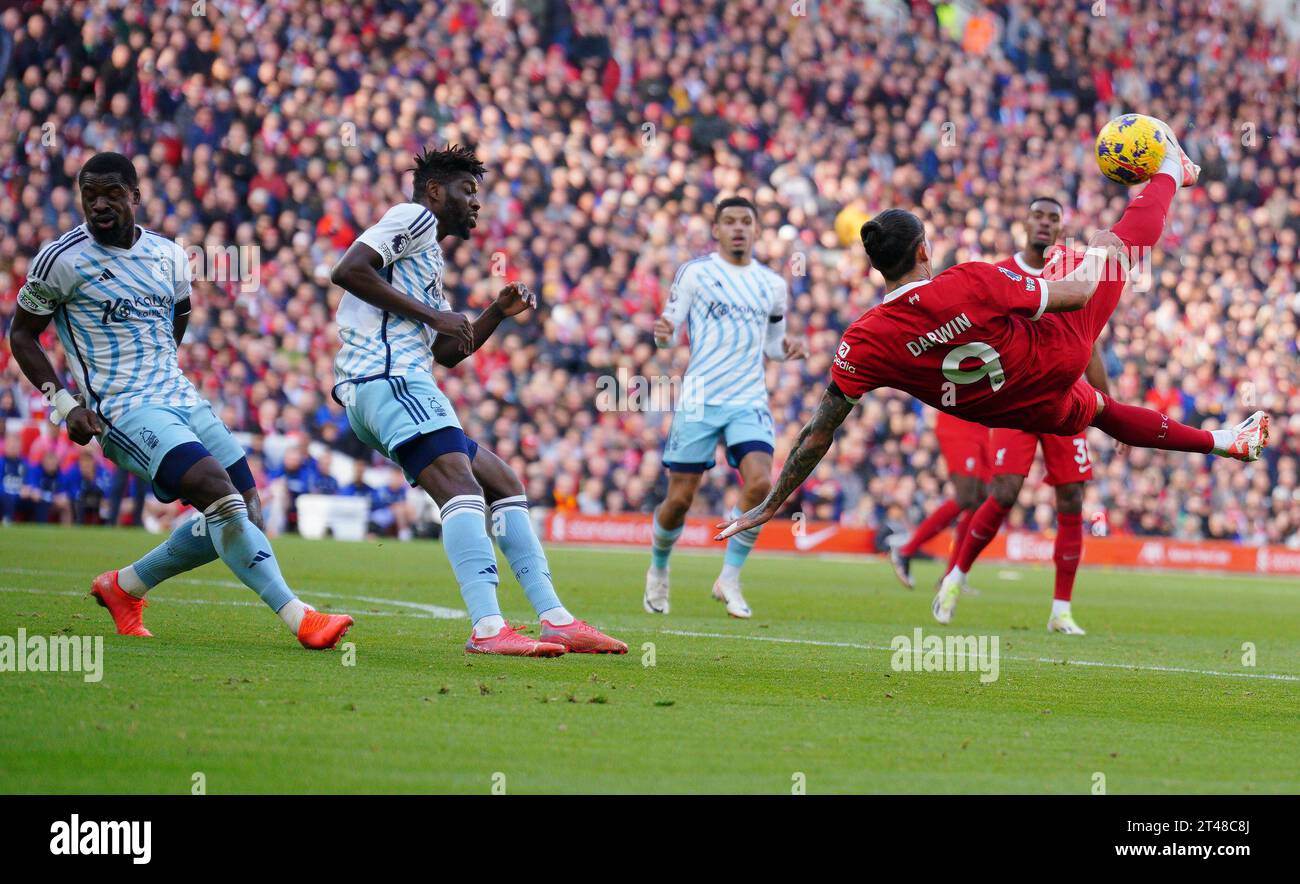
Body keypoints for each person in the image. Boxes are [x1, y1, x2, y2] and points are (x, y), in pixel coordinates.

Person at [717, 123, 1269, 629]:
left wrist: (772, 503)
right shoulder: (971, 280)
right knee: (1116, 243)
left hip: (1015, 410)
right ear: (924, 250)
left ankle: (1227, 441)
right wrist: (1097, 258)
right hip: (1054, 359)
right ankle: (1173, 167)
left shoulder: (863, 339)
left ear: (875, 267)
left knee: (1098, 413)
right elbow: (1076, 295)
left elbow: (819, 433)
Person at [7, 151, 353, 649]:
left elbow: (180, 315)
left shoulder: (168, 256)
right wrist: (65, 404)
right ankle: (301, 618)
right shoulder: (61, 259)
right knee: (220, 496)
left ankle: (125, 587)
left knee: (248, 511)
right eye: (90, 195)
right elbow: (21, 335)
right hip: (124, 409)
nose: (99, 205)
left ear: (135, 197)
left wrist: (162, 366)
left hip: (180, 397)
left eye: (111, 194)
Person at [330, 143, 625, 656]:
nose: (476, 203)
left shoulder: (428, 258)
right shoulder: (413, 217)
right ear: (435, 191)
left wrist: (493, 312)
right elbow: (349, 269)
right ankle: (488, 627)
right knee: (462, 491)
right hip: (387, 377)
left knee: (502, 482)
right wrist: (431, 314)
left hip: (398, 381)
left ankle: (555, 618)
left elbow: (447, 351)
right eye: (467, 191)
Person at [645, 196, 809, 618]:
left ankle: (729, 577)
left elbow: (772, 346)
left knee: (760, 483)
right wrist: (662, 336)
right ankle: (659, 568)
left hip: (748, 398)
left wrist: (786, 349)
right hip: (699, 398)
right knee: (679, 499)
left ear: (756, 230)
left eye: (746, 222)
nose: (738, 228)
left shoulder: (772, 284)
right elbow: (668, 332)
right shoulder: (696, 274)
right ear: (715, 230)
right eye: (730, 221)